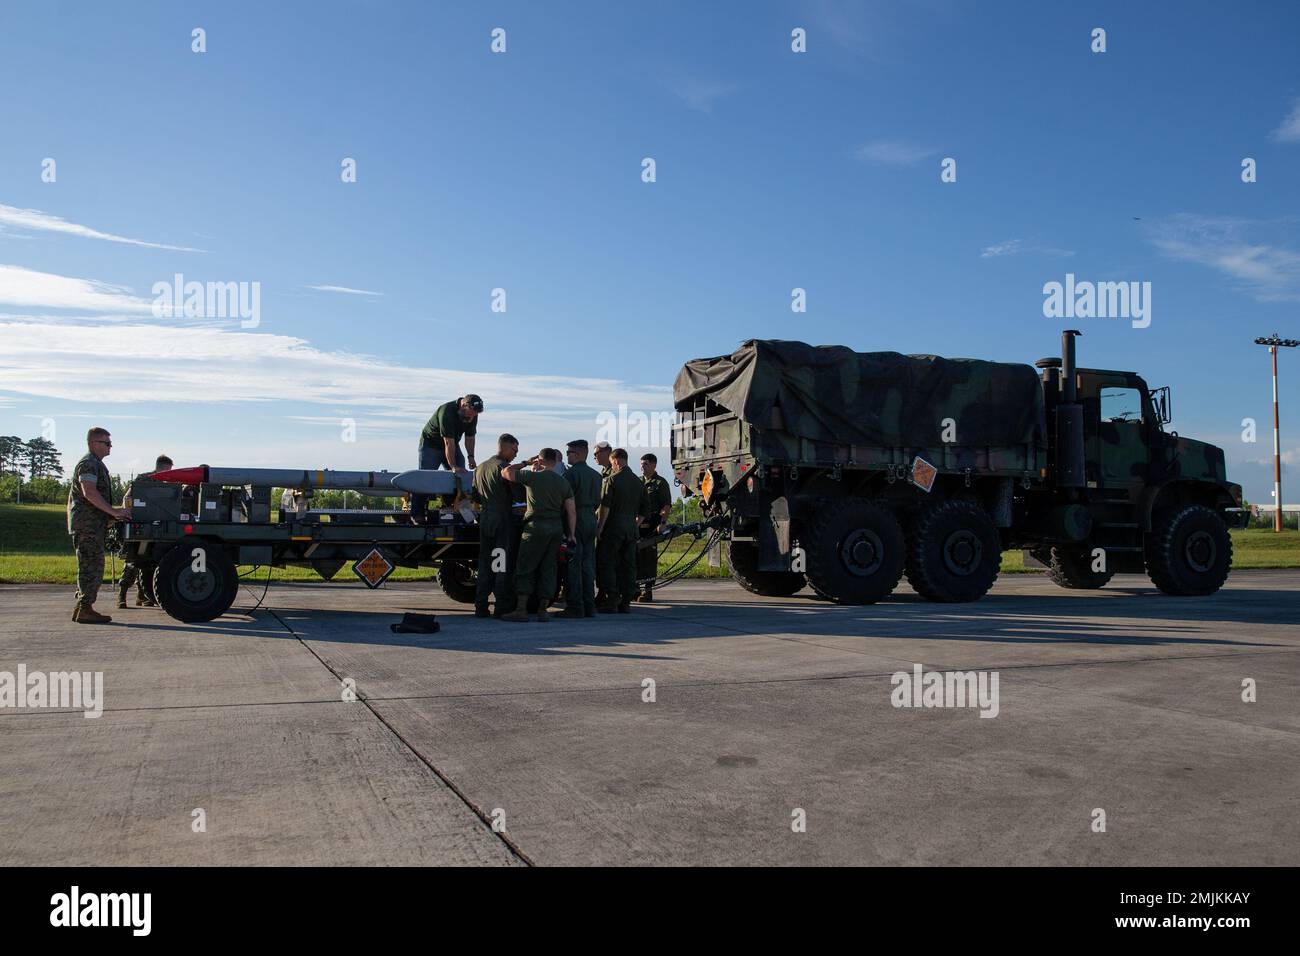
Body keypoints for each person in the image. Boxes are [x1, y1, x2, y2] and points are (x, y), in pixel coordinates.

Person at [499, 449, 576, 622]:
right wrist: (571, 534)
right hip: (555, 529)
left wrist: (526, 463)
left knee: (526, 566)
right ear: (555, 462)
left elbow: (506, 472)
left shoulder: (532, 477)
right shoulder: (563, 483)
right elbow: (571, 511)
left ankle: (521, 609)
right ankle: (543, 610)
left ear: (539, 460)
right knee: (549, 567)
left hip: (535, 527)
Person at [67, 427, 129, 624]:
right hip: (88, 526)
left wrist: (114, 513)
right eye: (106, 443)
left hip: (92, 525)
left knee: (89, 565)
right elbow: (89, 492)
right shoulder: (89, 464)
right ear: (94, 443)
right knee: (91, 566)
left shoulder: (96, 464)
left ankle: (82, 608)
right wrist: (114, 512)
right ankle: (85, 608)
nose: (110, 446)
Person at [412, 394, 482, 522]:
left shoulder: (473, 415)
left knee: (461, 476)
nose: (472, 417)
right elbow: (448, 443)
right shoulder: (446, 412)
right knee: (425, 477)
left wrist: (471, 457)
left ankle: (456, 509)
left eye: (474, 415)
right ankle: (417, 514)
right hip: (431, 445)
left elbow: (470, 438)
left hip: (452, 443)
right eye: (470, 414)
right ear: (463, 405)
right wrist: (453, 466)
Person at [472, 433, 520, 618]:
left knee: (485, 563)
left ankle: (480, 606)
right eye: (514, 450)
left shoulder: (480, 467)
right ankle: (501, 606)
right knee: (500, 562)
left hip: (486, 519)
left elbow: (475, 497)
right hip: (503, 519)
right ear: (506, 447)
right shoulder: (504, 468)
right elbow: (518, 495)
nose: (515, 454)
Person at [117, 454, 172, 608]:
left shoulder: (167, 484)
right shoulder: (143, 480)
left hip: (156, 528)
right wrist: (127, 515)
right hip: (139, 525)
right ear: (160, 467)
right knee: (133, 562)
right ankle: (122, 596)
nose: (168, 472)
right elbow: (128, 499)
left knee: (149, 563)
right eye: (167, 469)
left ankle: (143, 596)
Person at [595, 448, 641, 613]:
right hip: (631, 528)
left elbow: (605, 507)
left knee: (608, 563)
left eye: (612, 462)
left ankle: (612, 600)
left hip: (614, 527)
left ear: (615, 460)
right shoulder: (638, 481)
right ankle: (626, 602)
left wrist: (599, 528)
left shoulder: (611, 480)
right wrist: (633, 525)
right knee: (629, 565)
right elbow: (644, 510)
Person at [560, 440, 602, 619]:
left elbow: (565, 501)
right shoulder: (596, 476)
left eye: (569, 452)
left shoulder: (570, 475)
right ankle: (589, 605)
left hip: (575, 519)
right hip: (591, 518)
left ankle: (575, 606)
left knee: (573, 564)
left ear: (577, 454)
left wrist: (567, 529)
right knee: (588, 565)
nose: (567, 455)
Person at [636, 453, 673, 602]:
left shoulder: (660, 483)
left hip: (652, 525)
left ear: (653, 465)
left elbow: (666, 505)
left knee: (649, 558)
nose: (642, 467)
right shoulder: (638, 482)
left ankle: (648, 590)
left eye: (645, 464)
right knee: (635, 557)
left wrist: (662, 523)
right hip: (638, 525)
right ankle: (635, 588)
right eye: (641, 464)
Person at [592, 440, 613, 605]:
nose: (594, 457)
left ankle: (607, 593)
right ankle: (603, 592)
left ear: (608, 453)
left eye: (597, 453)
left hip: (610, 523)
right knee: (600, 559)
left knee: (607, 560)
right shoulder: (603, 473)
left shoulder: (614, 474)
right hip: (602, 521)